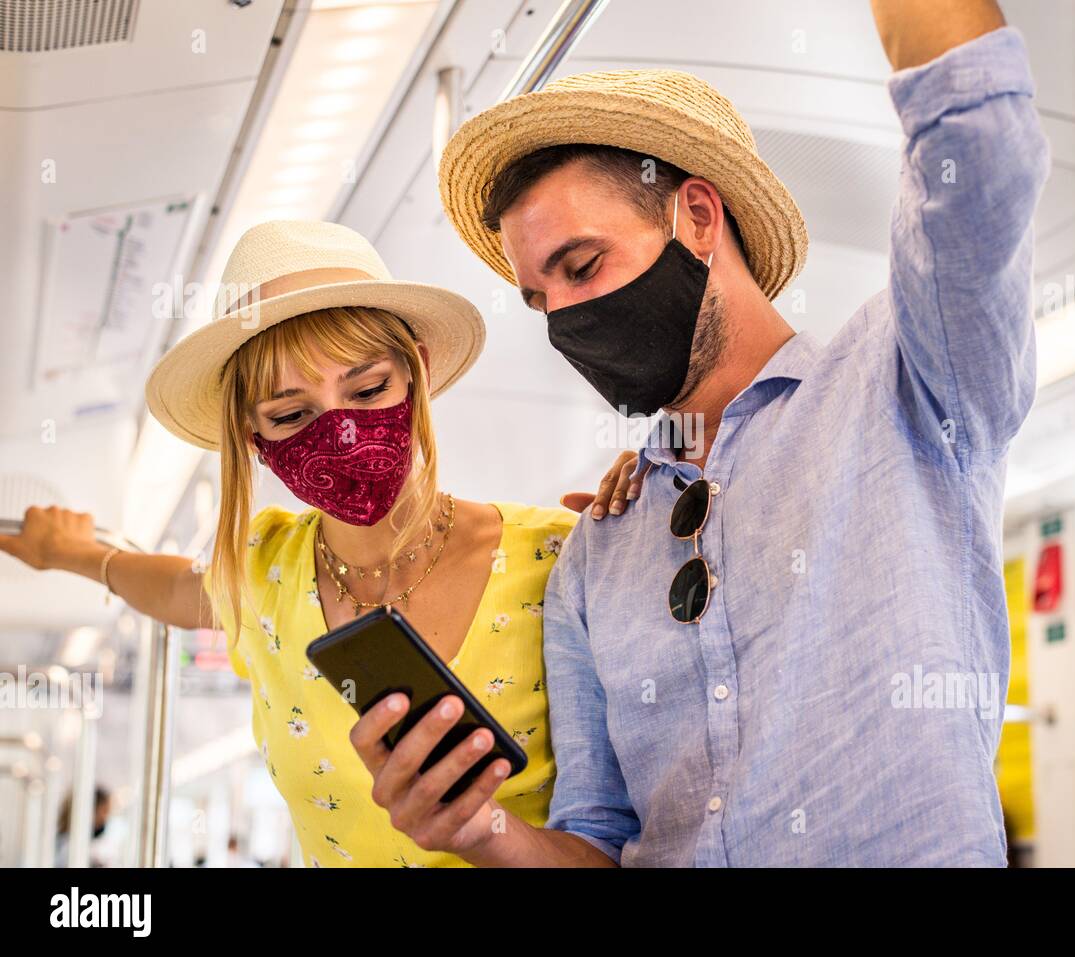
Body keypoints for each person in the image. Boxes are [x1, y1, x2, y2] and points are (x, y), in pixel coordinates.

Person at [352, 0, 1051, 866]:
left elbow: (980, 154)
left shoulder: (905, 381)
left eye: (581, 266)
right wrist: (478, 828)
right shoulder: (597, 555)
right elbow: (598, 839)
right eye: (541, 300)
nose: (566, 318)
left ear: (697, 216)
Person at [0, 220, 638, 867]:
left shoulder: (560, 558)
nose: (342, 433)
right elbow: (171, 586)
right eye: (289, 414)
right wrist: (71, 553)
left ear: (415, 371)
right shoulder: (262, 575)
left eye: (366, 390)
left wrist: (662, 491)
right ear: (254, 439)